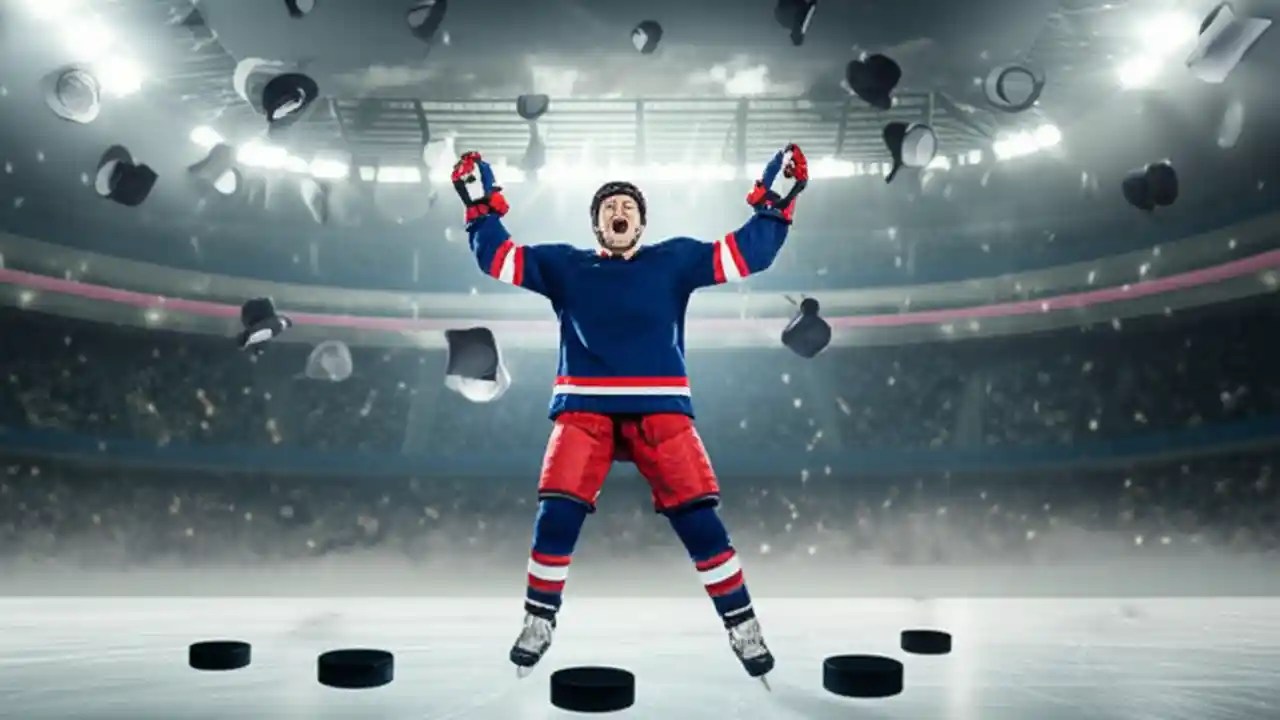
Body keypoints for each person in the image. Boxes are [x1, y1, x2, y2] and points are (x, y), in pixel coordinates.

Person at [451, 145, 809, 683]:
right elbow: (497, 258)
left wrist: (777, 199)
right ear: (596, 222)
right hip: (585, 408)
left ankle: (743, 626)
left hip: (658, 411)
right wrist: (479, 205)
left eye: (628, 206)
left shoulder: (675, 260)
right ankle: (538, 619)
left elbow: (748, 254)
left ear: (641, 221)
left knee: (701, 523)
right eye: (608, 206)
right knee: (556, 515)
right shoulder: (564, 266)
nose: (619, 212)